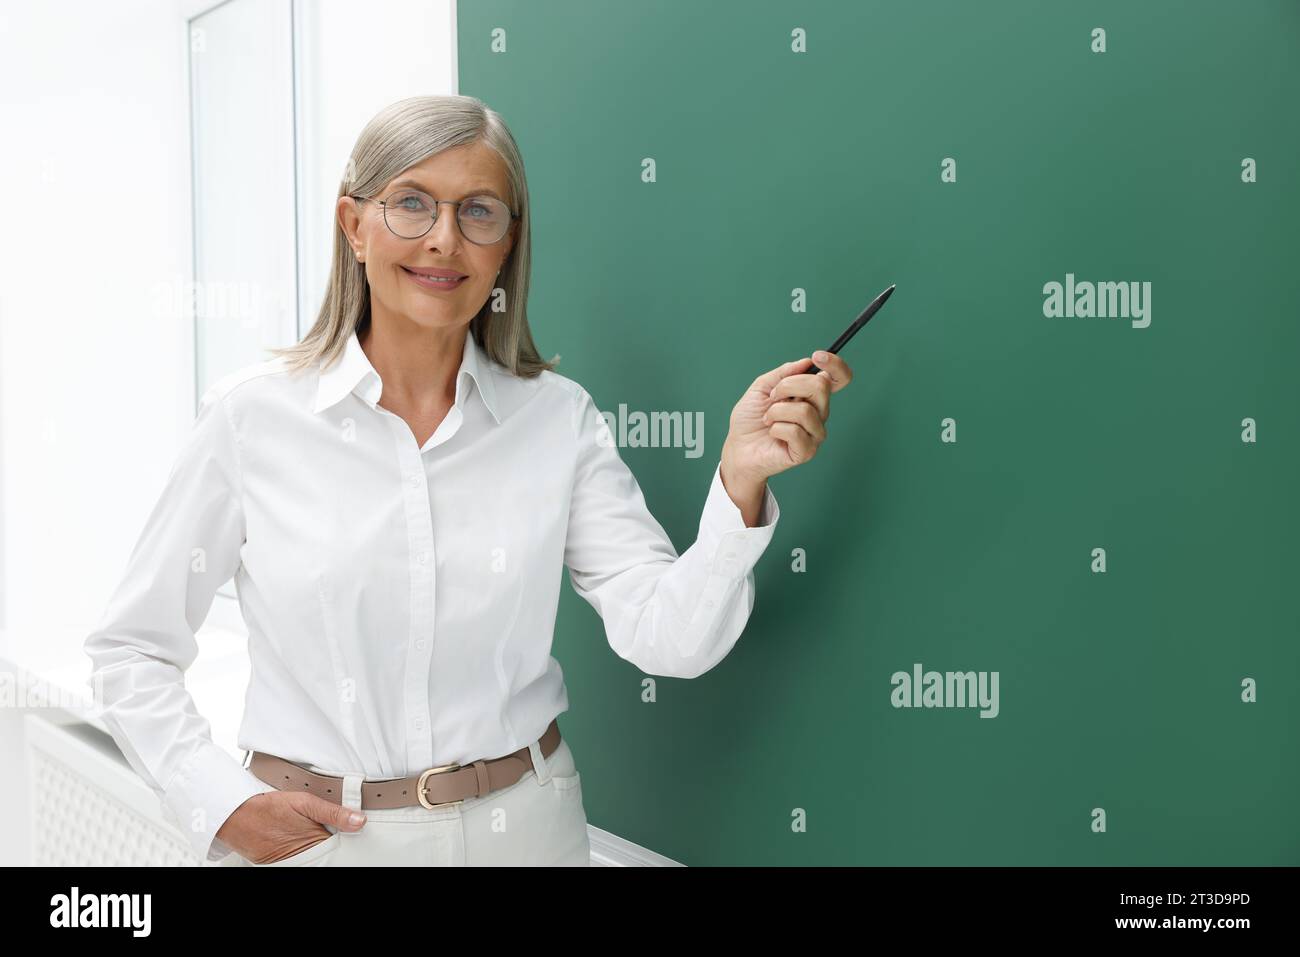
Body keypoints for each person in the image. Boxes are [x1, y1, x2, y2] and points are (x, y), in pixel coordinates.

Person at [83, 94, 852, 867]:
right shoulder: (252, 420)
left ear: (506, 244)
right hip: (317, 844)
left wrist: (740, 476)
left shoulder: (557, 421)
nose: (444, 239)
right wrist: (221, 803)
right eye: (411, 203)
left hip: (527, 836)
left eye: (479, 211)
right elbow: (130, 649)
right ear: (354, 225)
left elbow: (667, 638)